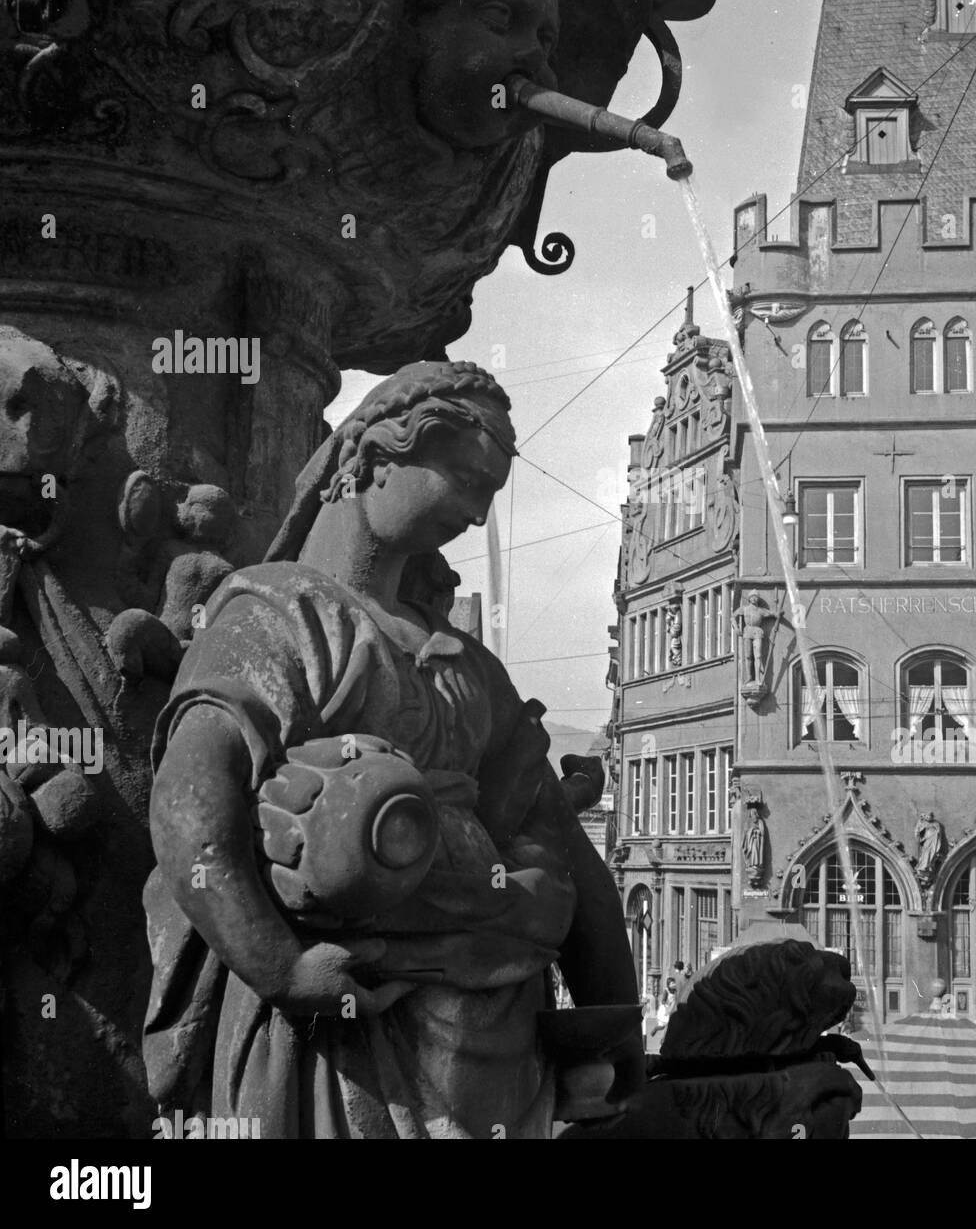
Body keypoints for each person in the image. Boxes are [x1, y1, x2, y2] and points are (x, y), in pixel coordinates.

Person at [143, 362, 642, 1138]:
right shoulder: (281, 614)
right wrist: (281, 966)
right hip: (344, 1034)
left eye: (492, 492)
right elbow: (189, 799)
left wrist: (613, 1021)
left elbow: (567, 851)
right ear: (371, 459)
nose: (478, 516)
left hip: (498, 1035)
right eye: (469, 478)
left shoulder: (469, 666)